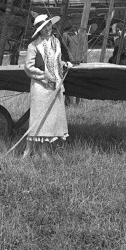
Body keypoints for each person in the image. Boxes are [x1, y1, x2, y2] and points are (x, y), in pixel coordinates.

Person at [23, 14, 72, 157]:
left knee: (51, 121)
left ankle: (44, 151)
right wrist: (45, 77)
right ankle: (30, 150)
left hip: (55, 86)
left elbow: (55, 62)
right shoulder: (33, 46)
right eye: (44, 28)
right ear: (39, 30)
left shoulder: (56, 42)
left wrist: (64, 64)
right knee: (39, 119)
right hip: (41, 87)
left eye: (49, 25)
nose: (47, 29)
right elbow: (28, 68)